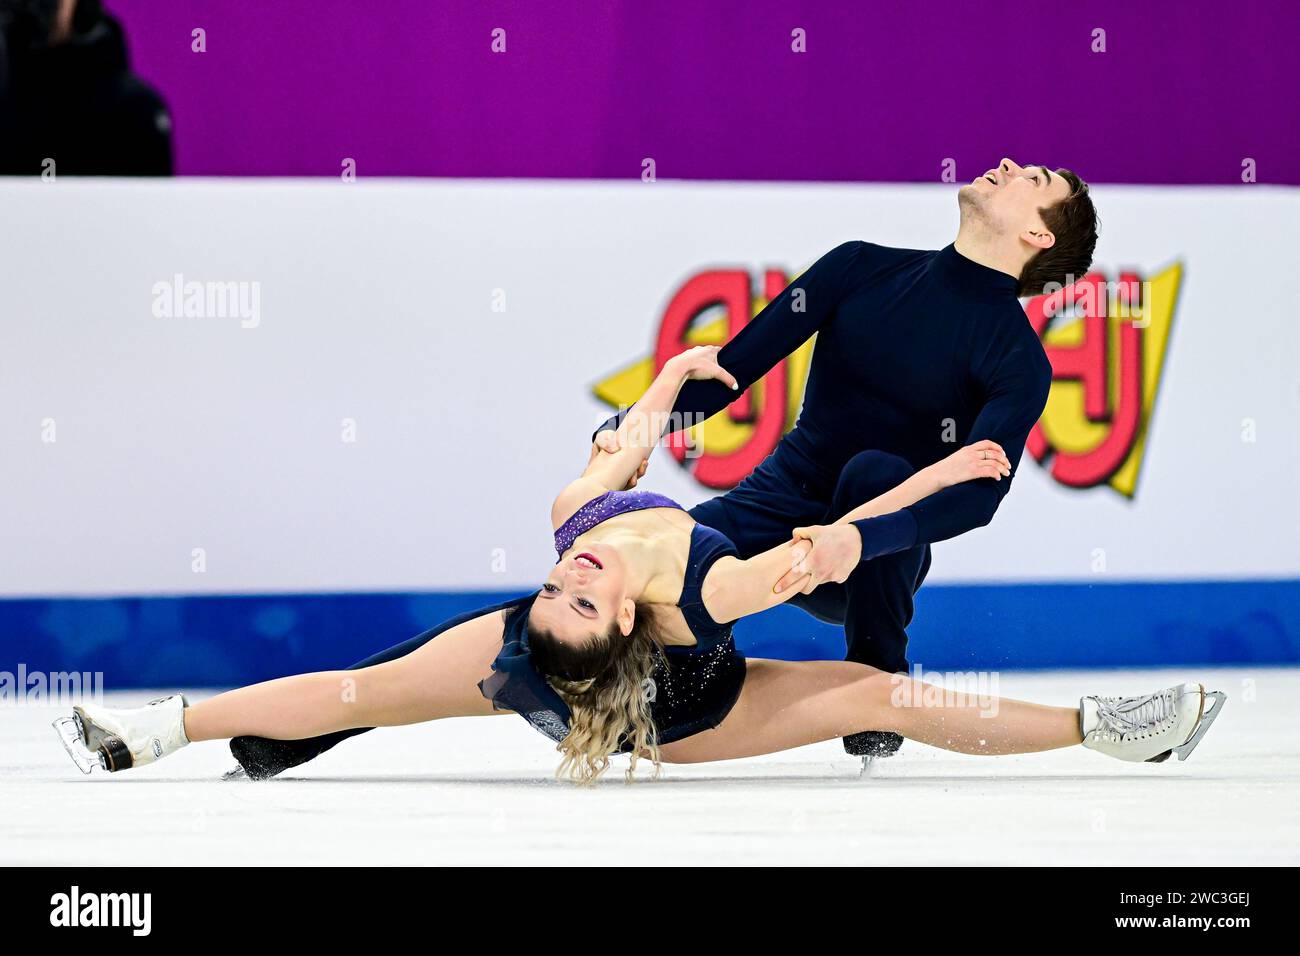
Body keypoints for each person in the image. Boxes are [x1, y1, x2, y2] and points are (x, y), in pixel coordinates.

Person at [55, 347, 1224, 784]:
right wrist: (948, 473)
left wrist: (670, 382)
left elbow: (618, 452)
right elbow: (852, 536)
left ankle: (191, 726)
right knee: (883, 694)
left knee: (370, 681)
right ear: (626, 617)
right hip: (685, 711)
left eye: (557, 584)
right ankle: (1109, 726)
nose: (575, 569)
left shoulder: (574, 531)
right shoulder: (711, 595)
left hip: (566, 669)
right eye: (581, 590)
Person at [590, 157, 1100, 760]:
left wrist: (858, 539)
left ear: (1038, 236)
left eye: (1033, 180)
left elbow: (979, 496)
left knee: (876, 471)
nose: (1010, 165)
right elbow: (728, 374)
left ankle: (876, 682)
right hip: (774, 502)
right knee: (654, 552)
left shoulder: (1017, 359)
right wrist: (628, 427)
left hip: (872, 555)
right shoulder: (859, 266)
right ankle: (619, 695)